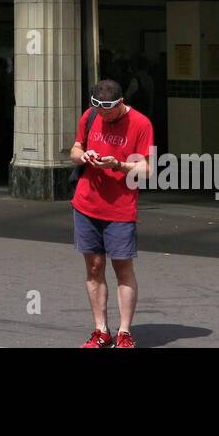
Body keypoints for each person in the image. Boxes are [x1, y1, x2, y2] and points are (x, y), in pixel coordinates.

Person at [70, 79, 153, 349]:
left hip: (120, 207)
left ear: (120, 103)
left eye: (108, 112)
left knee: (122, 268)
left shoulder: (141, 124)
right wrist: (83, 157)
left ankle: (125, 333)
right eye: (99, 112)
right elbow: (75, 148)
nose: (103, 117)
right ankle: (101, 330)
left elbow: (147, 171)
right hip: (86, 203)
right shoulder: (90, 115)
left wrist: (117, 164)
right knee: (93, 268)